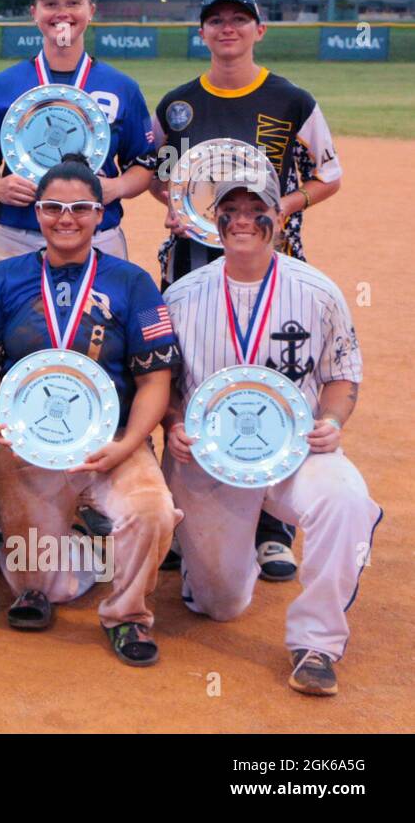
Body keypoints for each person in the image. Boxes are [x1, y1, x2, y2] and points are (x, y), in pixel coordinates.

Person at [0, 0, 158, 565]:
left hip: (100, 240)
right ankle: (11, 508)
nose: (62, 13)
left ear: (89, 12)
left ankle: (98, 491)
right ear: (36, 15)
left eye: (74, 2)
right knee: (10, 357)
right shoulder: (3, 85)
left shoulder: (121, 86)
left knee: (101, 357)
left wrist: (108, 191)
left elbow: (146, 166)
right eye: (51, 3)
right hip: (18, 239)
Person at [149, 0, 343, 580]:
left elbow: (330, 173)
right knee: (185, 373)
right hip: (191, 262)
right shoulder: (177, 104)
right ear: (201, 32)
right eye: (215, 20)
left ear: (260, 30)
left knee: (272, 374)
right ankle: (182, 512)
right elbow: (159, 176)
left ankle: (272, 526)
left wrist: (282, 207)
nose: (227, 29)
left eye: (240, 19)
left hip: (270, 257)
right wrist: (174, 205)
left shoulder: (291, 99)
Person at [161, 176, 381, 696]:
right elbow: (161, 385)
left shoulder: (317, 290)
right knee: (222, 607)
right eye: (229, 209)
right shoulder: (181, 295)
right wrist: (173, 423)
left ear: (280, 218)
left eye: (256, 208)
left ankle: (317, 643)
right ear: (212, 222)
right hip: (208, 460)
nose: (241, 219)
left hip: (295, 451)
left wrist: (331, 421)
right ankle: (213, 564)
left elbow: (341, 372)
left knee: (347, 500)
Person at [0, 154, 181, 667]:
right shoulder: (6, 277)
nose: (66, 218)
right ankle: (67, 554)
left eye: (80, 208)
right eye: (53, 207)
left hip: (114, 439)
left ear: (99, 214)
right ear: (36, 213)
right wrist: (7, 412)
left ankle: (127, 615)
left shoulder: (132, 282)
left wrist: (128, 444)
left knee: (152, 511)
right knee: (47, 586)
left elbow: (155, 378)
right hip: (30, 442)